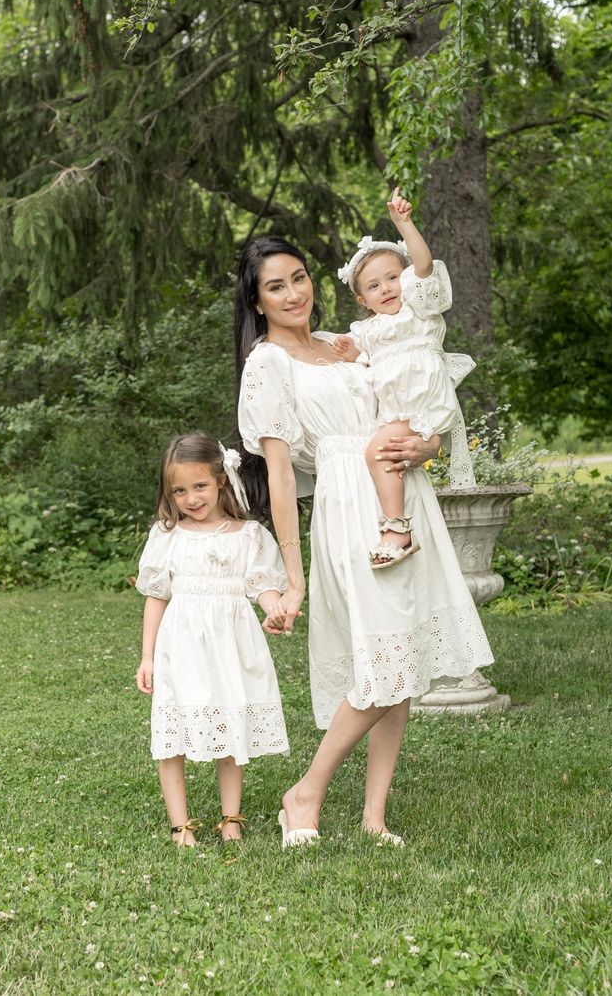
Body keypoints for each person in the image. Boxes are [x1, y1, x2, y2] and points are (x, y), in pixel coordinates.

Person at [235, 236, 494, 848]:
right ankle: (306, 791)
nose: (294, 293)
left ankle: (374, 813)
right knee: (386, 659)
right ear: (257, 300)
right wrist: (293, 578)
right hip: (347, 504)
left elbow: (417, 393)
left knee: (401, 653)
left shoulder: (350, 341)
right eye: (277, 286)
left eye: (299, 278)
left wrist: (428, 445)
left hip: (401, 495)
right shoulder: (267, 364)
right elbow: (277, 476)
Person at [134, 433, 290, 847]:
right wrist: (147, 656)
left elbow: (262, 585)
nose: (190, 498)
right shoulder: (168, 536)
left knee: (229, 725)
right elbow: (156, 597)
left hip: (229, 647)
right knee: (173, 730)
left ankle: (231, 818)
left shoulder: (248, 535)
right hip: (180, 647)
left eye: (199, 486)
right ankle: (180, 825)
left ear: (221, 479)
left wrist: (274, 607)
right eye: (179, 490)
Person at [333, 187, 476, 568]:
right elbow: (360, 358)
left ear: (406, 279)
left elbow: (425, 266)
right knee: (386, 457)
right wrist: (352, 353)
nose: (386, 289)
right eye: (374, 286)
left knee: (377, 453)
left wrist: (405, 224)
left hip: (424, 404)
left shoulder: (417, 310)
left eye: (393, 277)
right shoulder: (369, 330)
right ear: (363, 300)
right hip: (399, 412)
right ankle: (398, 522)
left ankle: (397, 528)